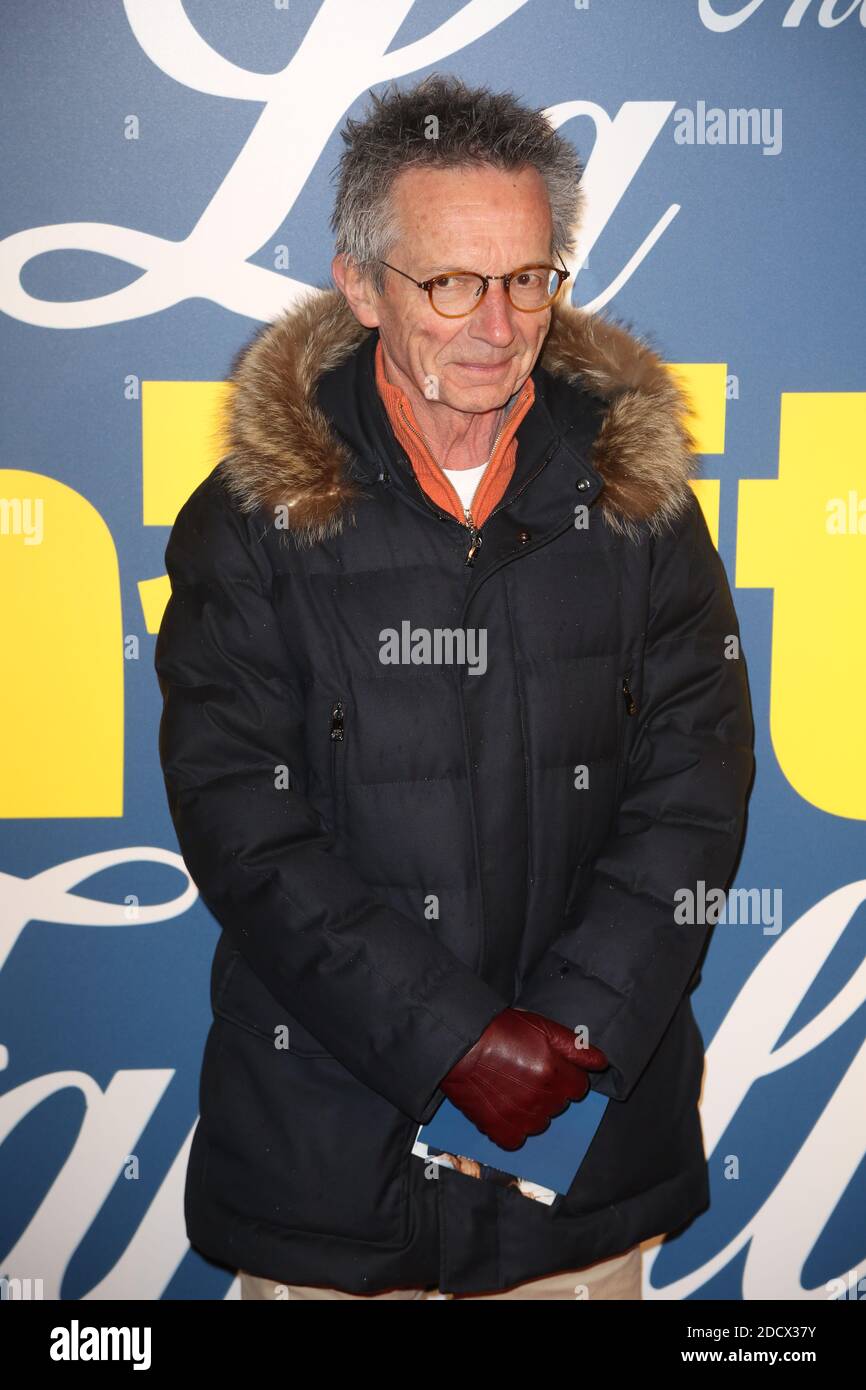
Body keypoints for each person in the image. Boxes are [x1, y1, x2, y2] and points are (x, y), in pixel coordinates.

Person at [154, 73, 754, 1300]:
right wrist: (452, 1043)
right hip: (326, 1175)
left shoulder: (638, 499)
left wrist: (571, 1034)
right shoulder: (253, 518)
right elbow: (241, 824)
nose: (498, 324)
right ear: (360, 286)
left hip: (575, 1180)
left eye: (528, 277)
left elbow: (695, 787)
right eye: (450, 283)